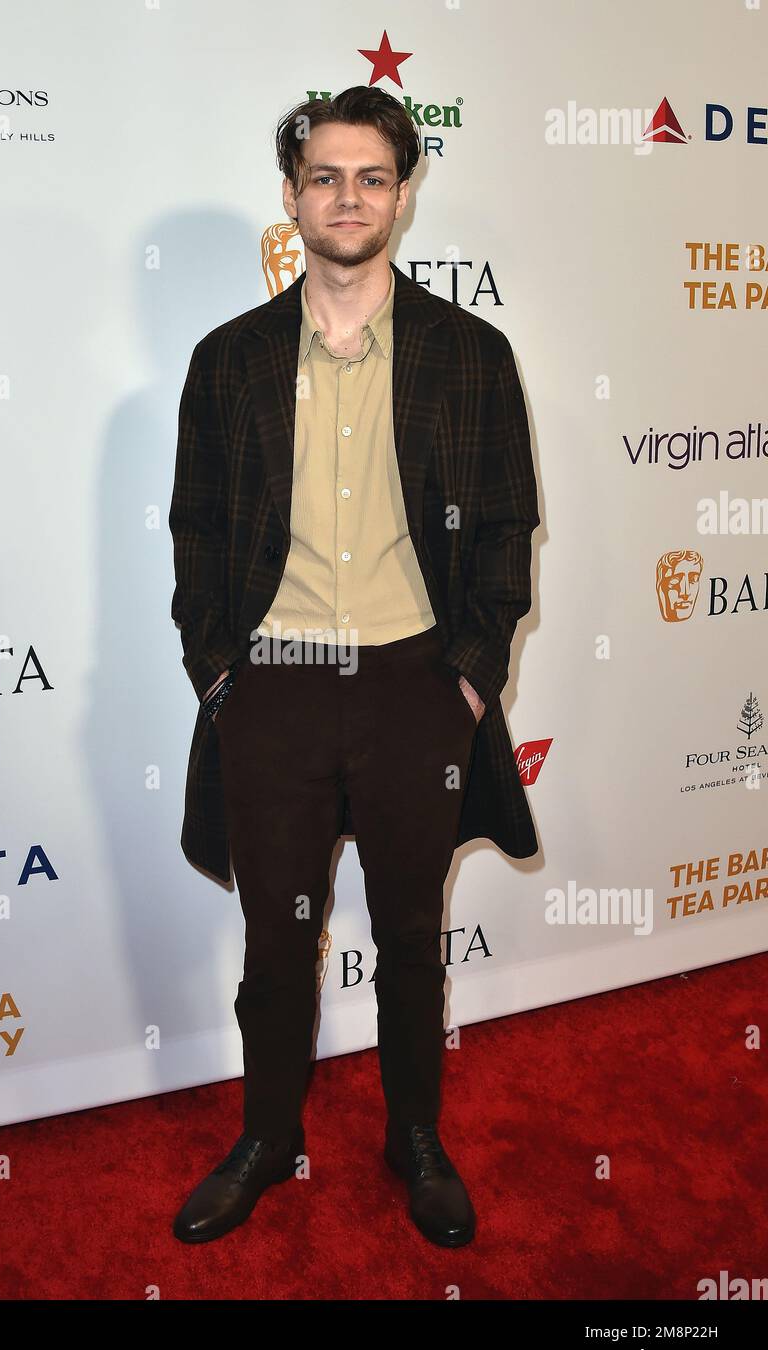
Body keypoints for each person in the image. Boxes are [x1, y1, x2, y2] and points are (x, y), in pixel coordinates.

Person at [168, 85, 540, 1247]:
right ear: (291, 197)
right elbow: (197, 533)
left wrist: (466, 684)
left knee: (412, 937)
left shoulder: (468, 353)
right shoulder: (226, 362)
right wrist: (221, 677)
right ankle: (269, 1137)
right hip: (270, 686)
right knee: (276, 944)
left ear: (403, 192)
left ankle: (412, 1135)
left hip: (412, 688)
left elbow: (502, 535)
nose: (347, 197)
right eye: (324, 176)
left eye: (370, 177)